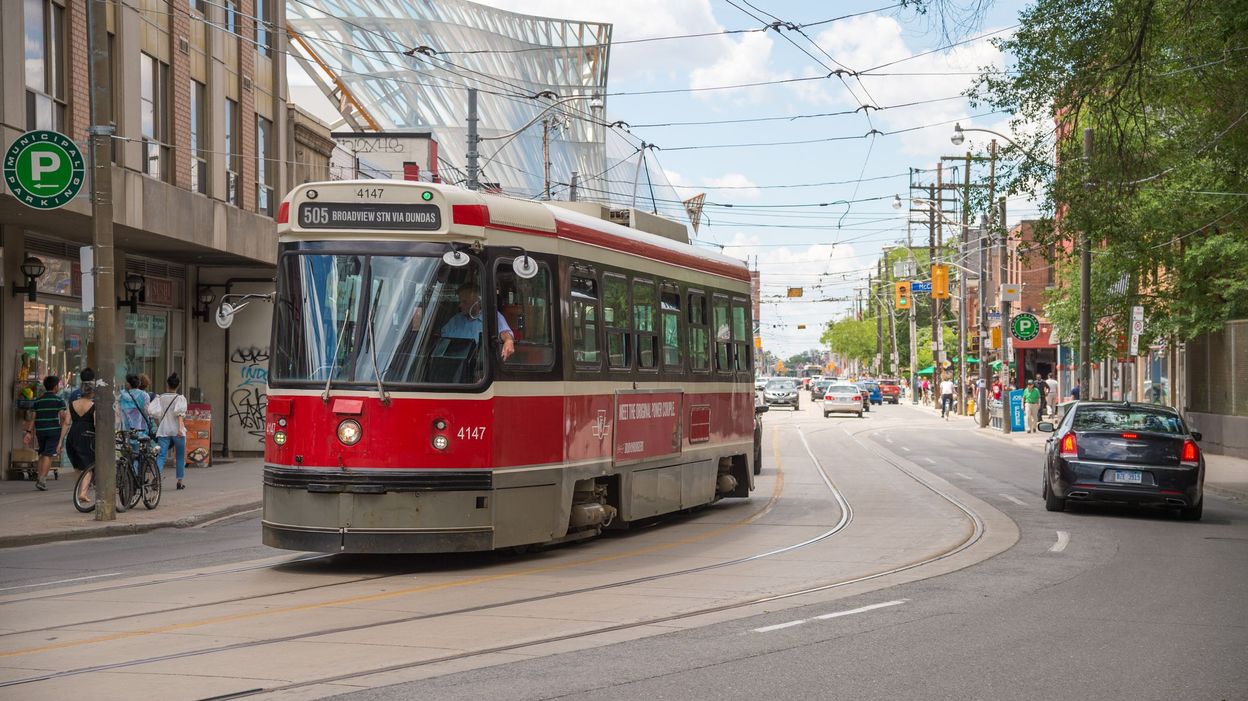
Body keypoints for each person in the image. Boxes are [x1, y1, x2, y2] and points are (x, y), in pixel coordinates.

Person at [441, 284, 515, 360]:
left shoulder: (491, 316)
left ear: (477, 302)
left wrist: (508, 341)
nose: (460, 305)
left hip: (480, 366)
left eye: (464, 302)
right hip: (455, 362)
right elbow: (442, 340)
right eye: (460, 301)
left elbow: (504, 332)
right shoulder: (455, 320)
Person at [24, 376, 69, 491]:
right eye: (58, 385)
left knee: (42, 454)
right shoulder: (58, 400)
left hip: (40, 432)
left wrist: (28, 432)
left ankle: (39, 478)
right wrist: (62, 426)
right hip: (53, 431)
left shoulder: (38, 401)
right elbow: (63, 417)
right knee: (48, 455)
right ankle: (42, 480)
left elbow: (33, 418)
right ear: (55, 387)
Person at [149, 373, 189, 490]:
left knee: (161, 456)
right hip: (177, 431)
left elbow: (154, 412)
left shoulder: (160, 398)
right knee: (180, 456)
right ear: (179, 385)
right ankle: (179, 481)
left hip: (164, 430)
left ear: (167, 385)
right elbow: (180, 414)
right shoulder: (180, 398)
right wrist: (180, 428)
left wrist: (159, 423)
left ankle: (156, 478)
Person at [66, 382, 97, 503]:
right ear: (92, 393)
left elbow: (66, 422)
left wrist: (59, 442)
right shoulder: (93, 406)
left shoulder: (71, 404)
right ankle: (83, 493)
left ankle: (79, 491)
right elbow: (96, 424)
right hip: (88, 436)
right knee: (89, 466)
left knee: (78, 467)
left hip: (73, 435)